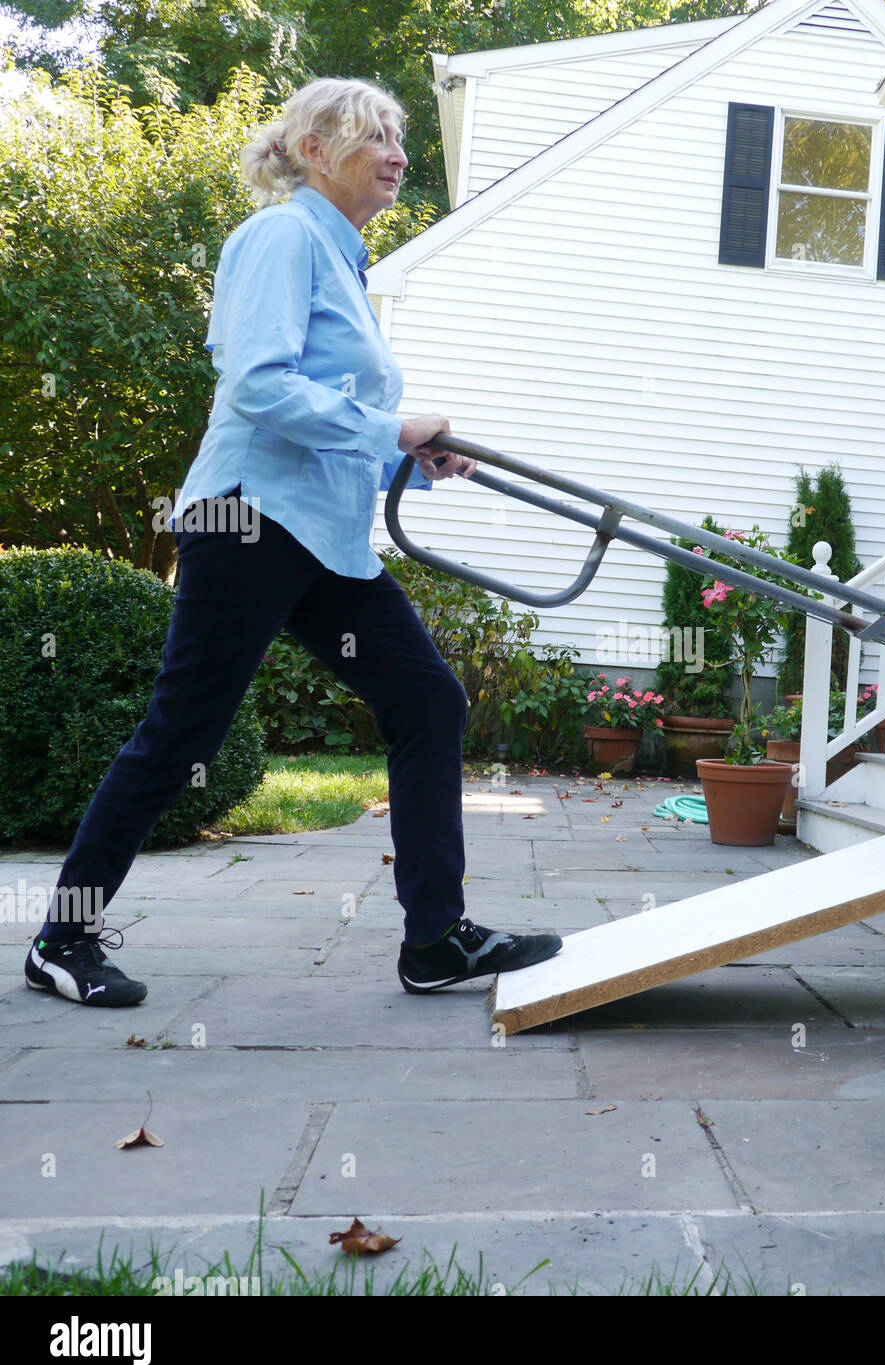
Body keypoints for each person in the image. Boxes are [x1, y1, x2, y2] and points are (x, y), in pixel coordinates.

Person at [24, 77, 562, 1008]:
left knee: (429, 700)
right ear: (315, 148)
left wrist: (405, 460)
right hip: (247, 519)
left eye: (400, 137)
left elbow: (331, 415)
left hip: (321, 536)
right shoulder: (280, 236)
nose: (399, 154)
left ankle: (436, 938)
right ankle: (60, 938)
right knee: (183, 728)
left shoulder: (341, 262)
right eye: (376, 138)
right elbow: (261, 386)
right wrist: (392, 429)